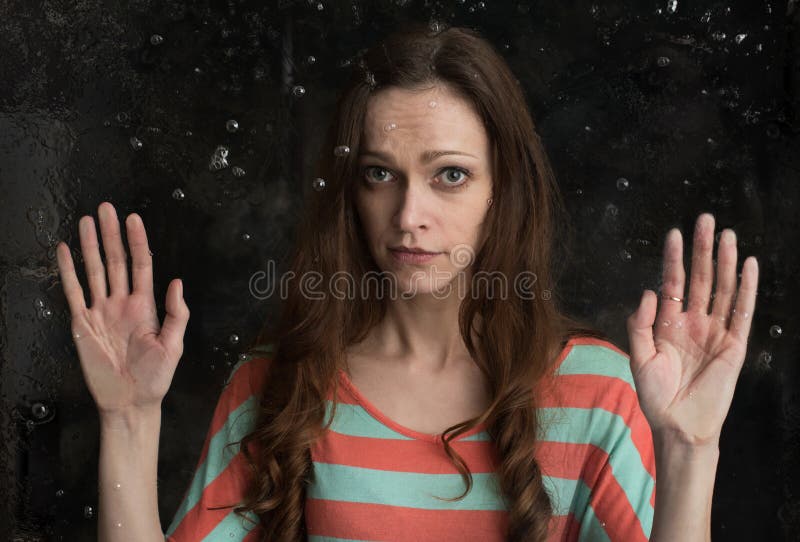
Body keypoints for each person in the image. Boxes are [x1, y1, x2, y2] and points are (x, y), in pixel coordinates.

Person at [55, 22, 759, 542]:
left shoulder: (601, 396)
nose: (408, 215)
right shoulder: (282, 385)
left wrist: (690, 452)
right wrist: (127, 418)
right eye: (379, 174)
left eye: (449, 175)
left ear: (501, 191)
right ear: (351, 192)